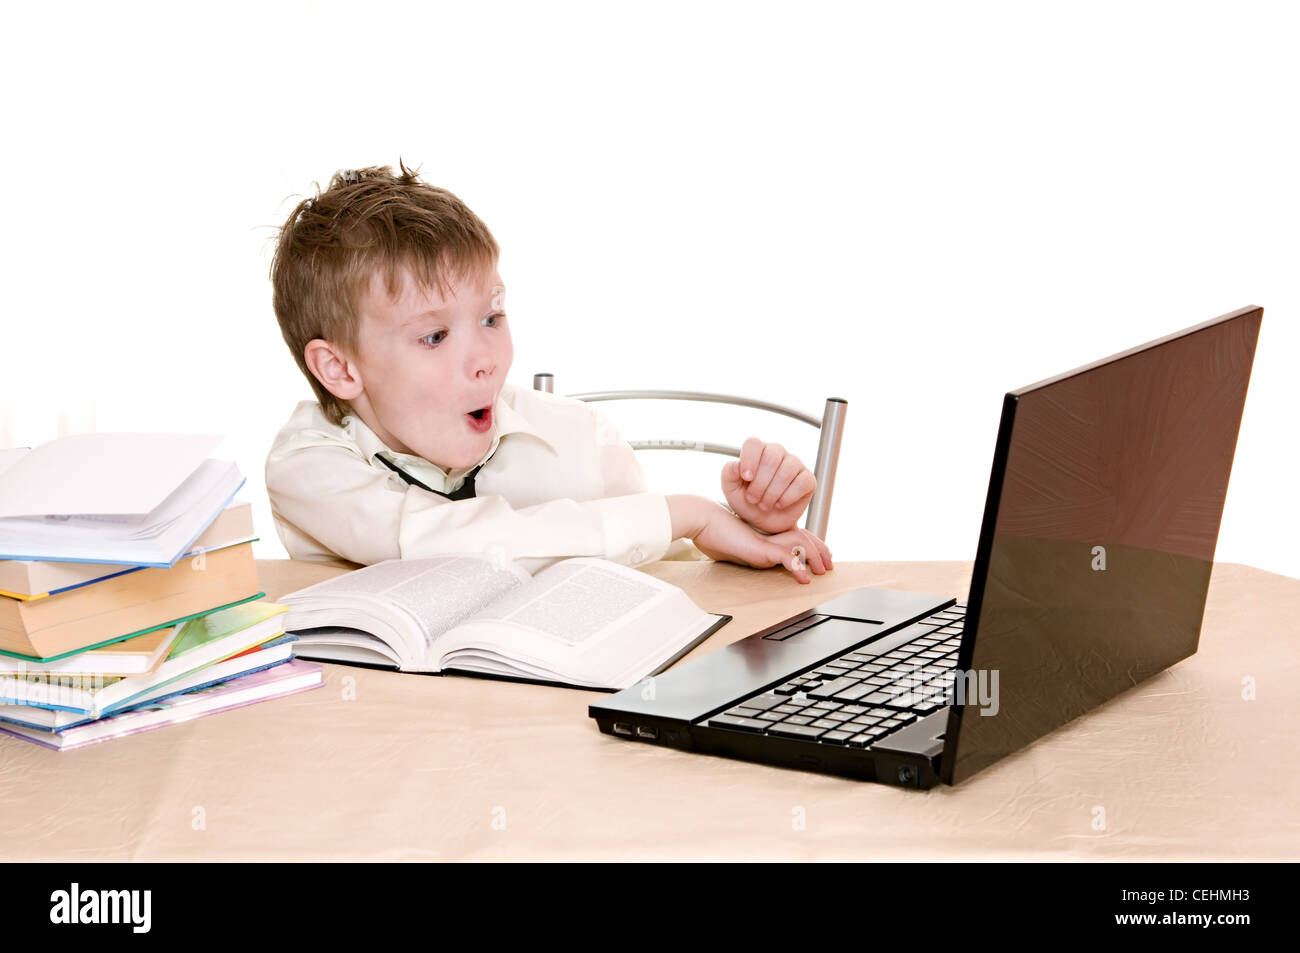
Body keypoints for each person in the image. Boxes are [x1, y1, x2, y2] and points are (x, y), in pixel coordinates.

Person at [265, 161, 833, 583]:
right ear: (339, 368)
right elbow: (433, 540)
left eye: (492, 316)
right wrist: (688, 513)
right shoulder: (308, 464)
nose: (485, 358)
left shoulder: (581, 440)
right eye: (435, 336)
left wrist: (749, 533)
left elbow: (659, 568)